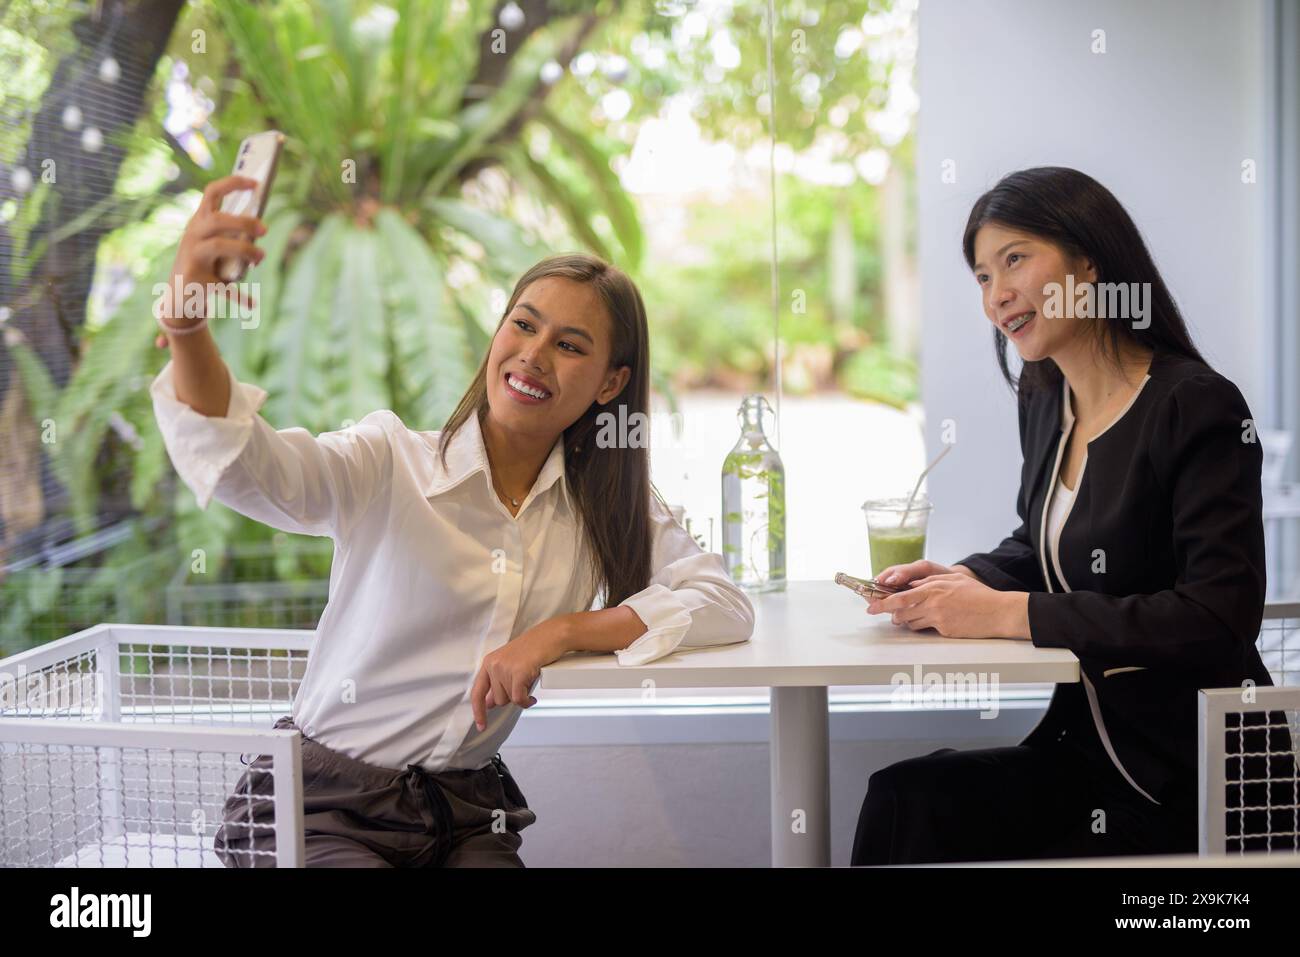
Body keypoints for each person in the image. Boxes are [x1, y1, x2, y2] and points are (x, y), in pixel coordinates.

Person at [149, 175, 755, 867]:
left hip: (461, 811)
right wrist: (186, 324)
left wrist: (557, 633)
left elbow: (723, 602)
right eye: (523, 324)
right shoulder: (388, 461)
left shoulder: (609, 505)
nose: (532, 354)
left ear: (610, 384)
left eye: (570, 345)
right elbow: (250, 470)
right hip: (318, 803)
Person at [850, 166, 1292, 864]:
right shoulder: (1046, 398)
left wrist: (1005, 612)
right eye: (982, 276)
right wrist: (955, 581)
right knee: (904, 800)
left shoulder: (1195, 406)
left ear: (1088, 259)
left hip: (1193, 784)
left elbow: (1216, 618)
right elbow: (1042, 544)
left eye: (1015, 259)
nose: (998, 295)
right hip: (1089, 752)